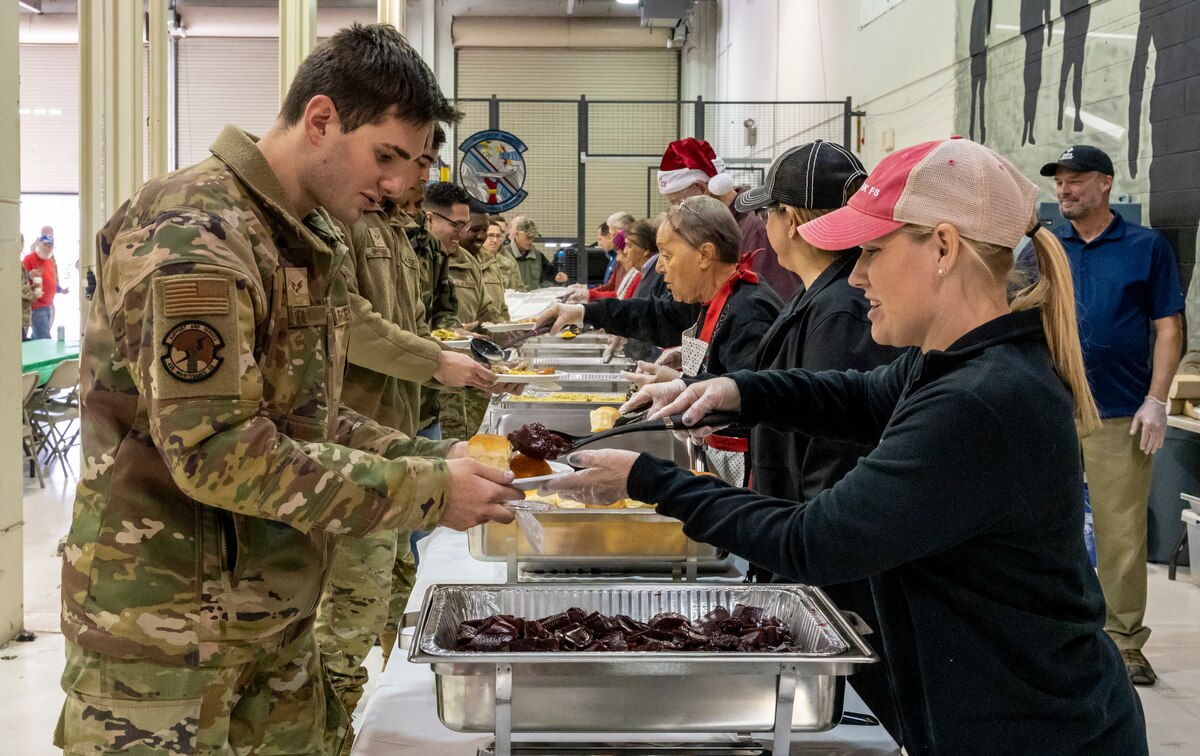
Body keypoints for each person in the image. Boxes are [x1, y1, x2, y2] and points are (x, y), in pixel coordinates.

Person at [546, 138, 1148, 754]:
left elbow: (815, 539)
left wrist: (649, 480)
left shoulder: (980, 399)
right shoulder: (949, 363)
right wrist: (734, 388)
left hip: (1037, 728)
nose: (856, 274)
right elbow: (855, 396)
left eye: (872, 251)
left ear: (942, 248)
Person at [57, 25, 523, 756]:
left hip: (267, 623)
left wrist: (429, 453)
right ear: (321, 120)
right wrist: (424, 489)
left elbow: (302, 415)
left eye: (412, 162)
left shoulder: (299, 237)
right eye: (388, 157)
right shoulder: (195, 231)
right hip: (170, 648)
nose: (401, 185)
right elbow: (217, 450)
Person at [315, 155, 501, 741]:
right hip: (351, 447)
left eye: (427, 162)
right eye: (411, 160)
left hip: (391, 429)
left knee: (397, 588)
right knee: (349, 615)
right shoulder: (345, 222)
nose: (418, 177)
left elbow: (412, 319)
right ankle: (334, 726)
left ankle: (378, 711)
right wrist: (435, 361)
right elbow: (357, 325)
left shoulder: (401, 233)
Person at [1040, 144, 1184, 686]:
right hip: (1050, 407)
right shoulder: (1047, 246)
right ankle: (1053, 629)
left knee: (1120, 530)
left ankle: (1122, 641)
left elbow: (1167, 326)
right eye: (1059, 181)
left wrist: (1157, 399)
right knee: (1042, 524)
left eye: (1076, 179)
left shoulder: (1146, 247)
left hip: (1120, 409)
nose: (1065, 189)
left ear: (1104, 184)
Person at [537, 195, 782, 483]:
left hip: (745, 471)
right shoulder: (708, 298)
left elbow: (749, 400)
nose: (660, 267)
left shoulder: (749, 311)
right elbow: (655, 315)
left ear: (704, 255)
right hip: (710, 456)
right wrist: (582, 312)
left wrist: (681, 386)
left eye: (666, 255)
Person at [657, 137, 801, 299]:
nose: (679, 212)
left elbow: (775, 299)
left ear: (701, 188)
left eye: (679, 203)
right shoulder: (721, 227)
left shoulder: (755, 230)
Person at [427, 182, 492, 441]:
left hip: (452, 377)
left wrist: (452, 331)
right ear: (429, 218)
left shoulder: (441, 258)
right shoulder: (409, 255)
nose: (462, 233)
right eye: (458, 225)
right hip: (420, 379)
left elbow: (446, 311)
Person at [23, 231, 67, 339]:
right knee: (44, 339)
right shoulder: (29, 259)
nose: (47, 248)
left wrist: (60, 289)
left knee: (36, 337)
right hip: (37, 306)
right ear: (38, 244)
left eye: (50, 246)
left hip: (48, 306)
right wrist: (29, 275)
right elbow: (20, 280)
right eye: (45, 244)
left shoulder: (49, 262)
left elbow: (50, 281)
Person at [508, 216, 567, 290]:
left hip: (532, 299)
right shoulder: (504, 254)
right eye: (528, 238)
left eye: (532, 238)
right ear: (516, 234)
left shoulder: (538, 256)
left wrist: (559, 278)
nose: (530, 241)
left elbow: (552, 276)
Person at [18, 233, 40, 341]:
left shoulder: (18, 264)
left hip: (24, 317)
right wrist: (33, 295)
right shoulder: (12, 264)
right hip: (17, 318)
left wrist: (31, 288)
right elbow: (14, 289)